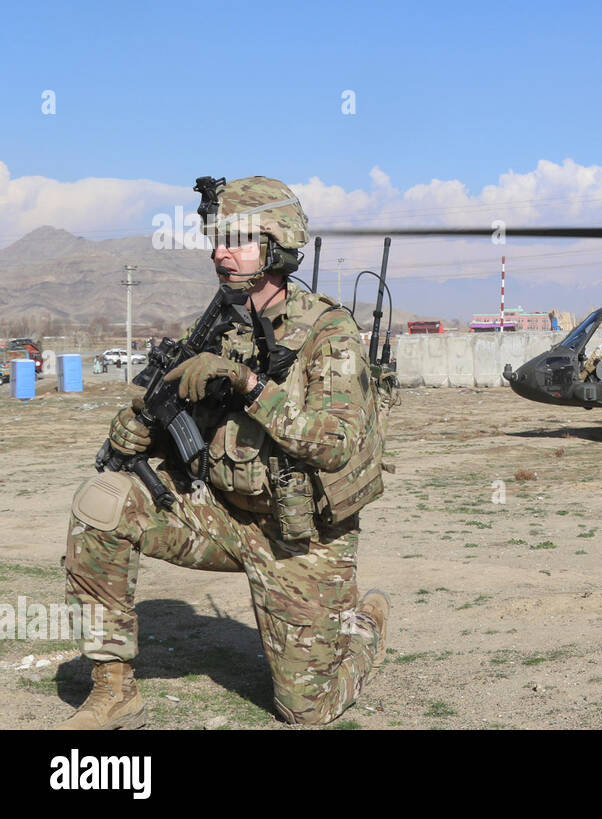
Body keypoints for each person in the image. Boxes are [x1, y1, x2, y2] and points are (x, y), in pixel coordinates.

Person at [58, 176, 390, 729]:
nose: (219, 251)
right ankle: (114, 688)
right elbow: (184, 415)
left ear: (277, 247)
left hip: (300, 537)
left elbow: (336, 445)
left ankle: (365, 626)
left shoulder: (330, 335)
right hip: (222, 516)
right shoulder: (220, 328)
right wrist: (143, 428)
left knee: (306, 712)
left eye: (236, 239)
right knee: (103, 503)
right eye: (217, 239)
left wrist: (248, 384)